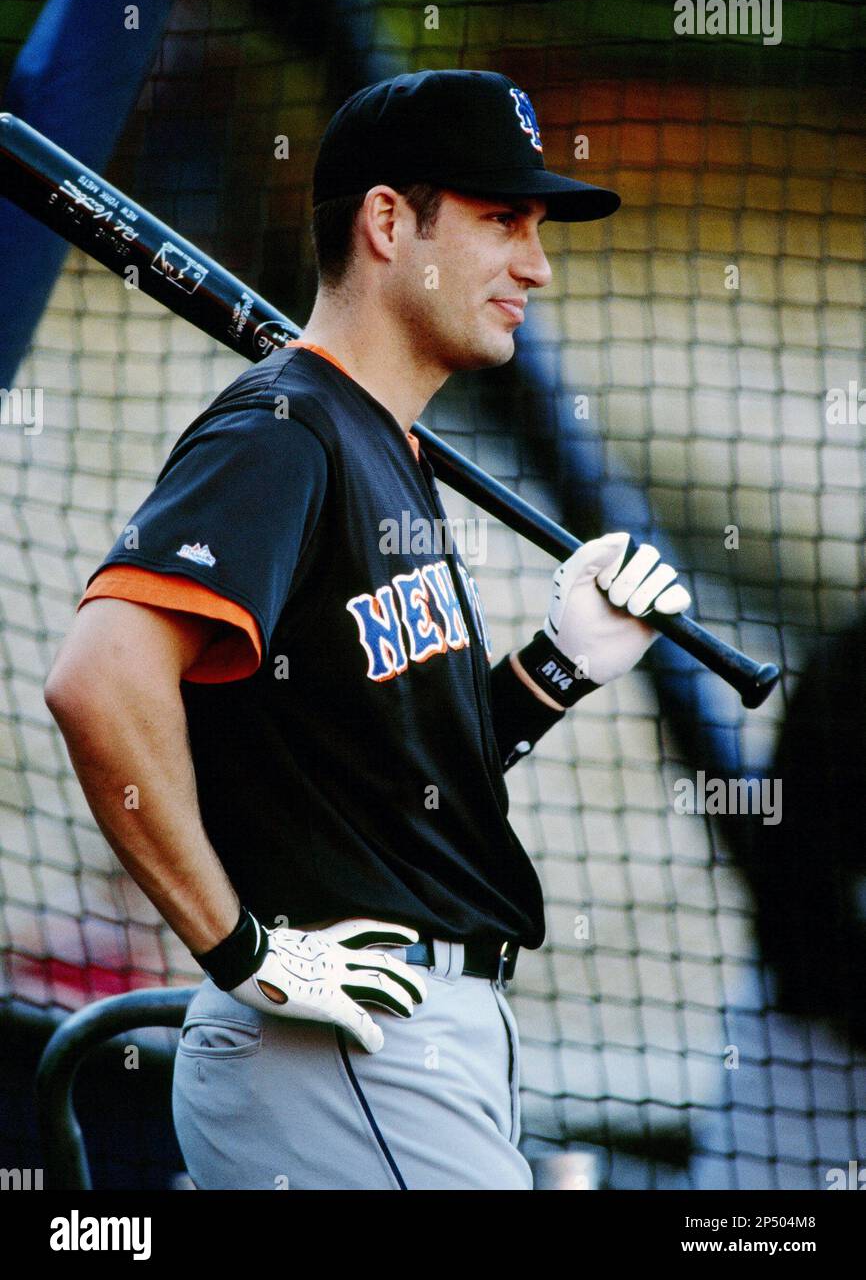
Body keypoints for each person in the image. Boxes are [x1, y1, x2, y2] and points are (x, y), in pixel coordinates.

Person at [43, 69, 690, 1190]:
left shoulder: (381, 446)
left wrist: (553, 668)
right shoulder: (282, 431)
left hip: (405, 1044)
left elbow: (386, 790)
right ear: (388, 223)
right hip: (343, 1049)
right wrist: (241, 950)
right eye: (503, 220)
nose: (536, 265)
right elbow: (97, 681)